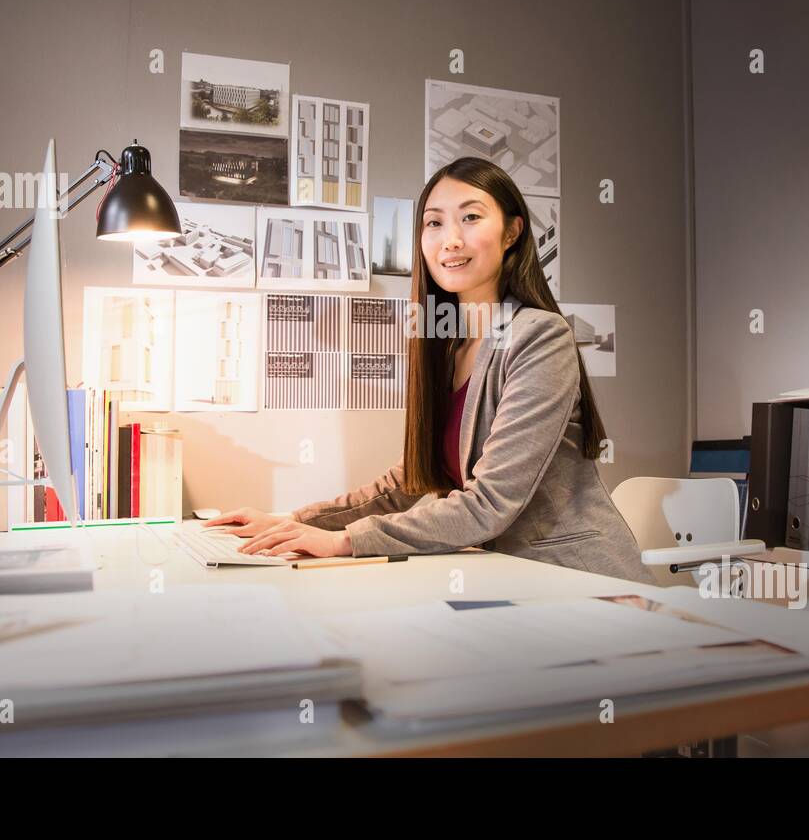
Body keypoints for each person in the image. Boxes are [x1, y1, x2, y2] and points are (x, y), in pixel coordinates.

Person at [206, 156, 650, 583]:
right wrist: (292, 521)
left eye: (471, 218)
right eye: (434, 223)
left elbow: (490, 503)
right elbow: (410, 482)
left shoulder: (539, 336)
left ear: (513, 231)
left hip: (576, 581)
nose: (450, 240)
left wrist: (344, 542)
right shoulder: (447, 345)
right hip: (500, 579)